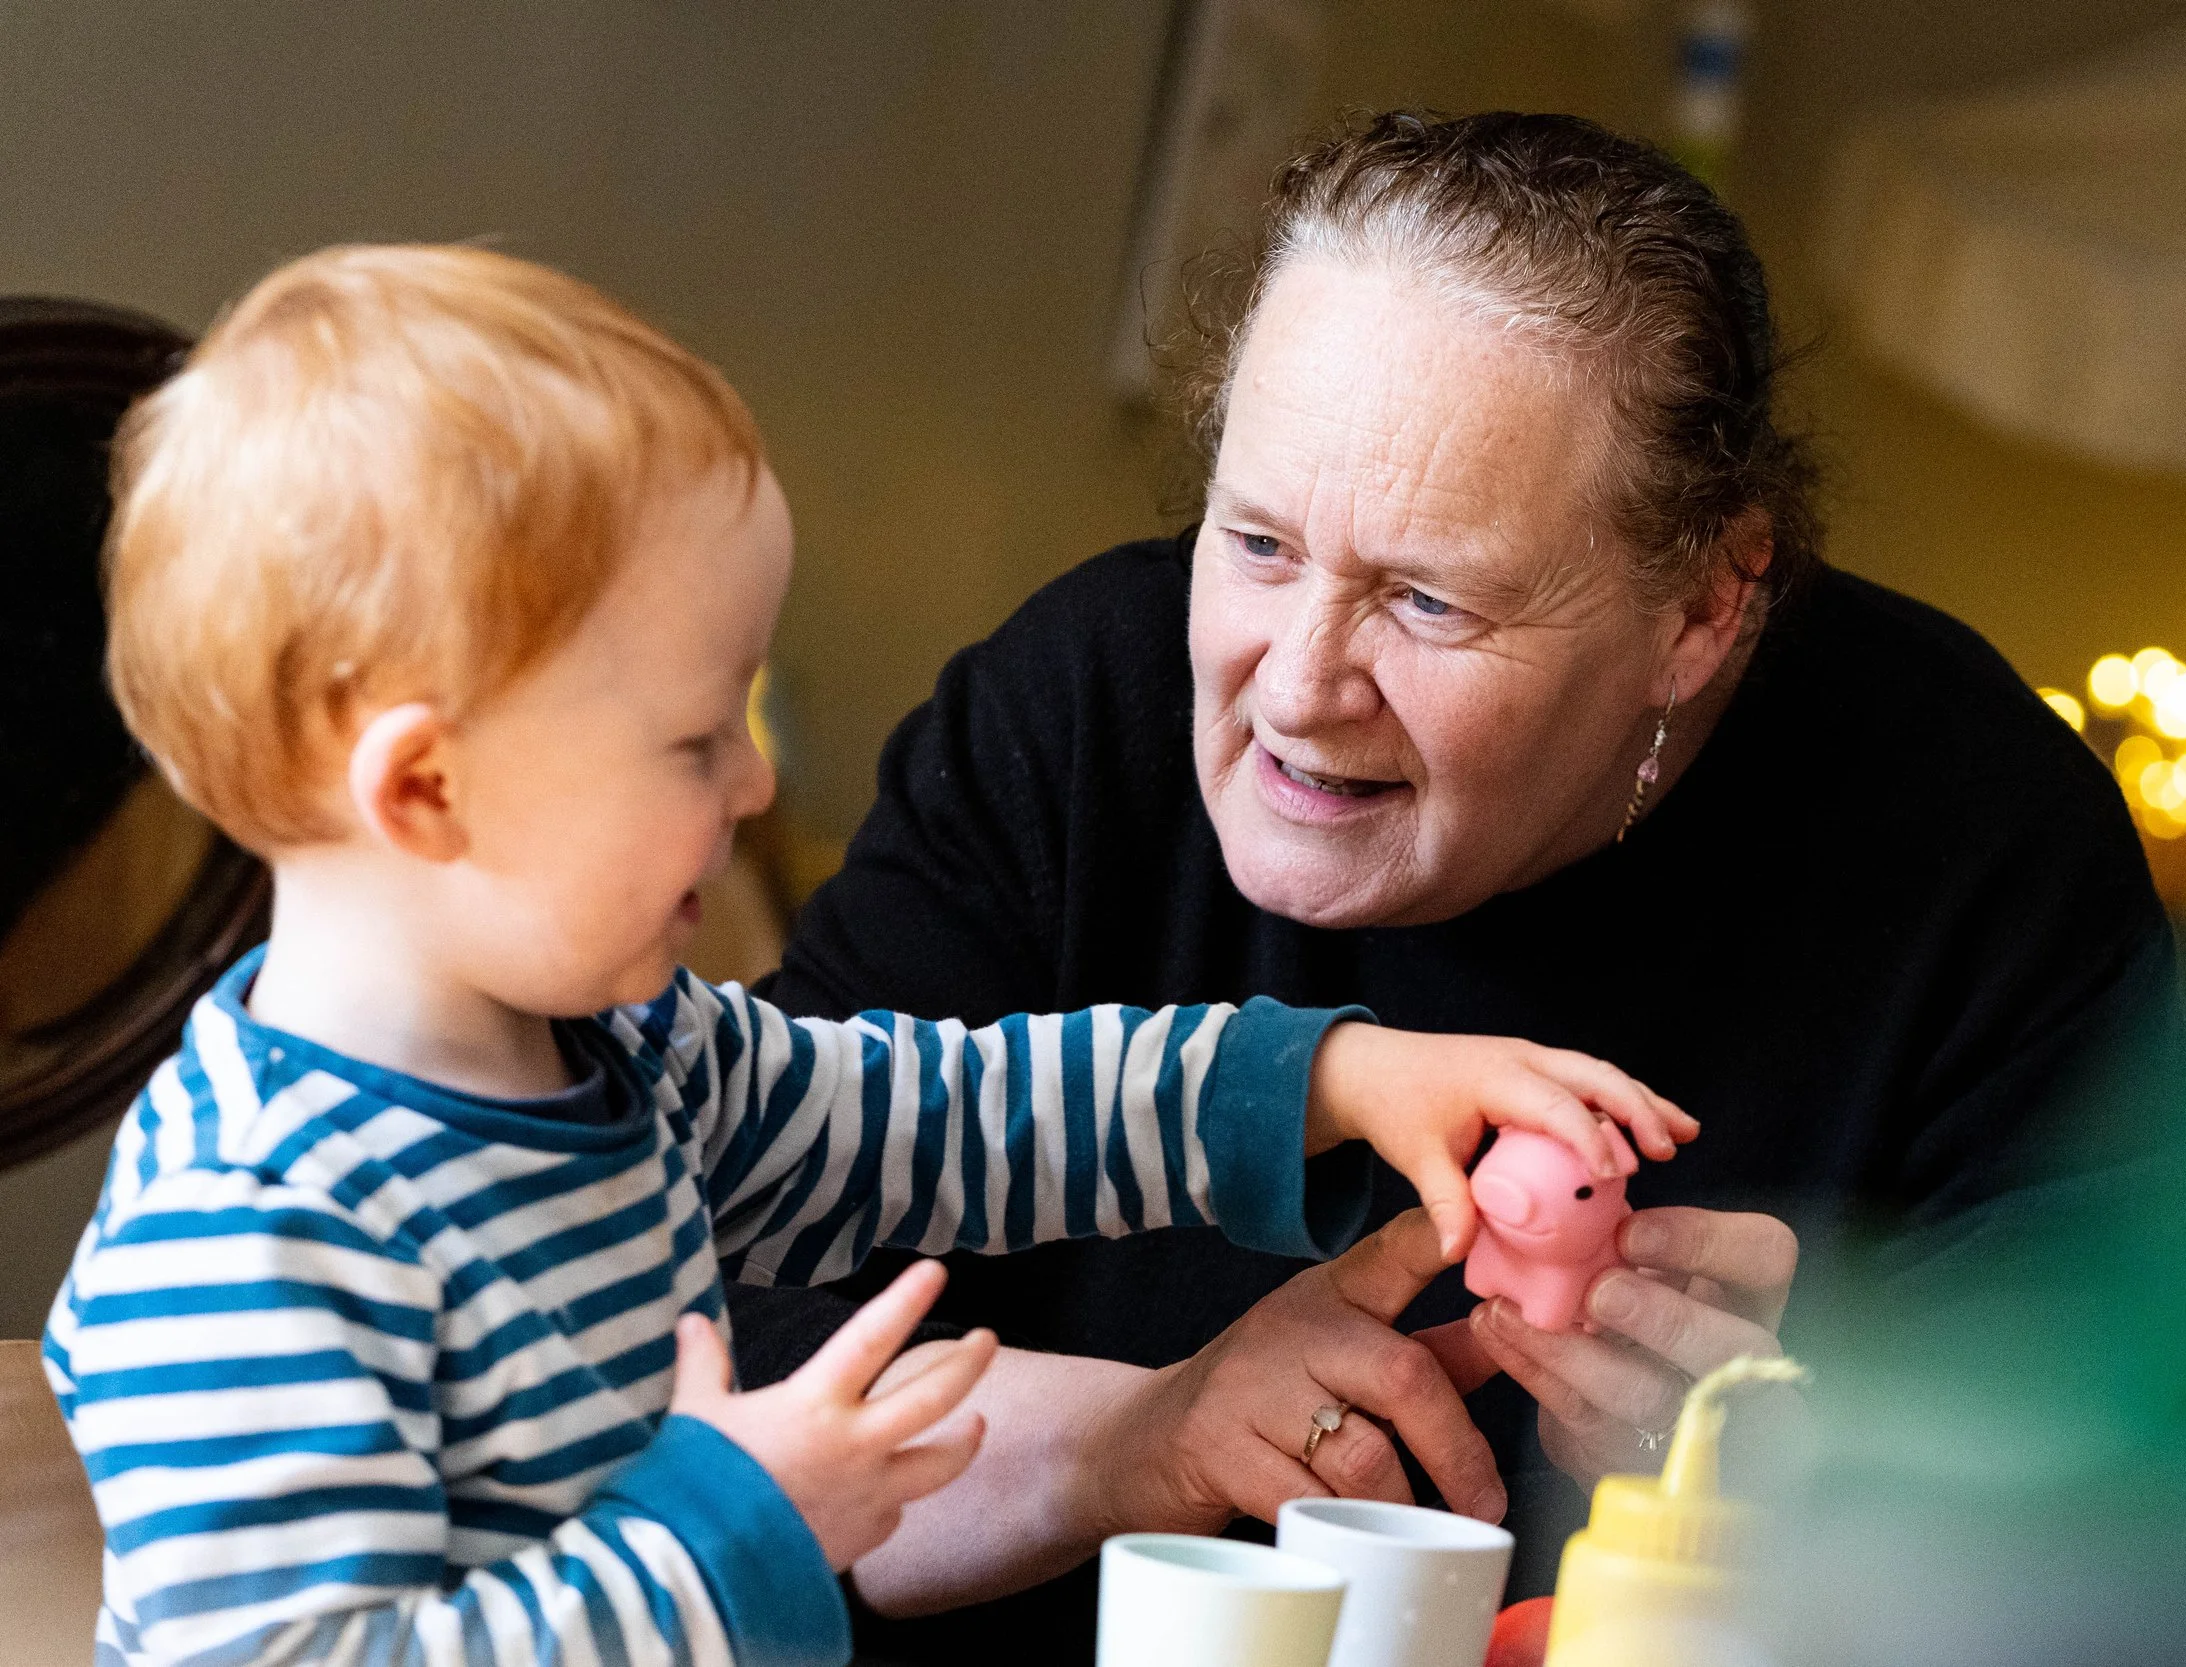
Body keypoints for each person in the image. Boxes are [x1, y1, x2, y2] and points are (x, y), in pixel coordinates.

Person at [42, 243, 1693, 1667]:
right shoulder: (255, 1236)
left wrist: (1322, 1078)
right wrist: (731, 1519)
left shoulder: (638, 1058)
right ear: (425, 787)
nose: (756, 784)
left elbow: (953, 1116)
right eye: (695, 742)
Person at [736, 111, 2185, 1659]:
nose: (1295, 688)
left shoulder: (1982, 836)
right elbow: (738, 1355)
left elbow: (2166, 1534)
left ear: (1703, 606)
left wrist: (1808, 1448)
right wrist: (1148, 1434)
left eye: (1429, 598)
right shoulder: (1079, 714)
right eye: (1260, 542)